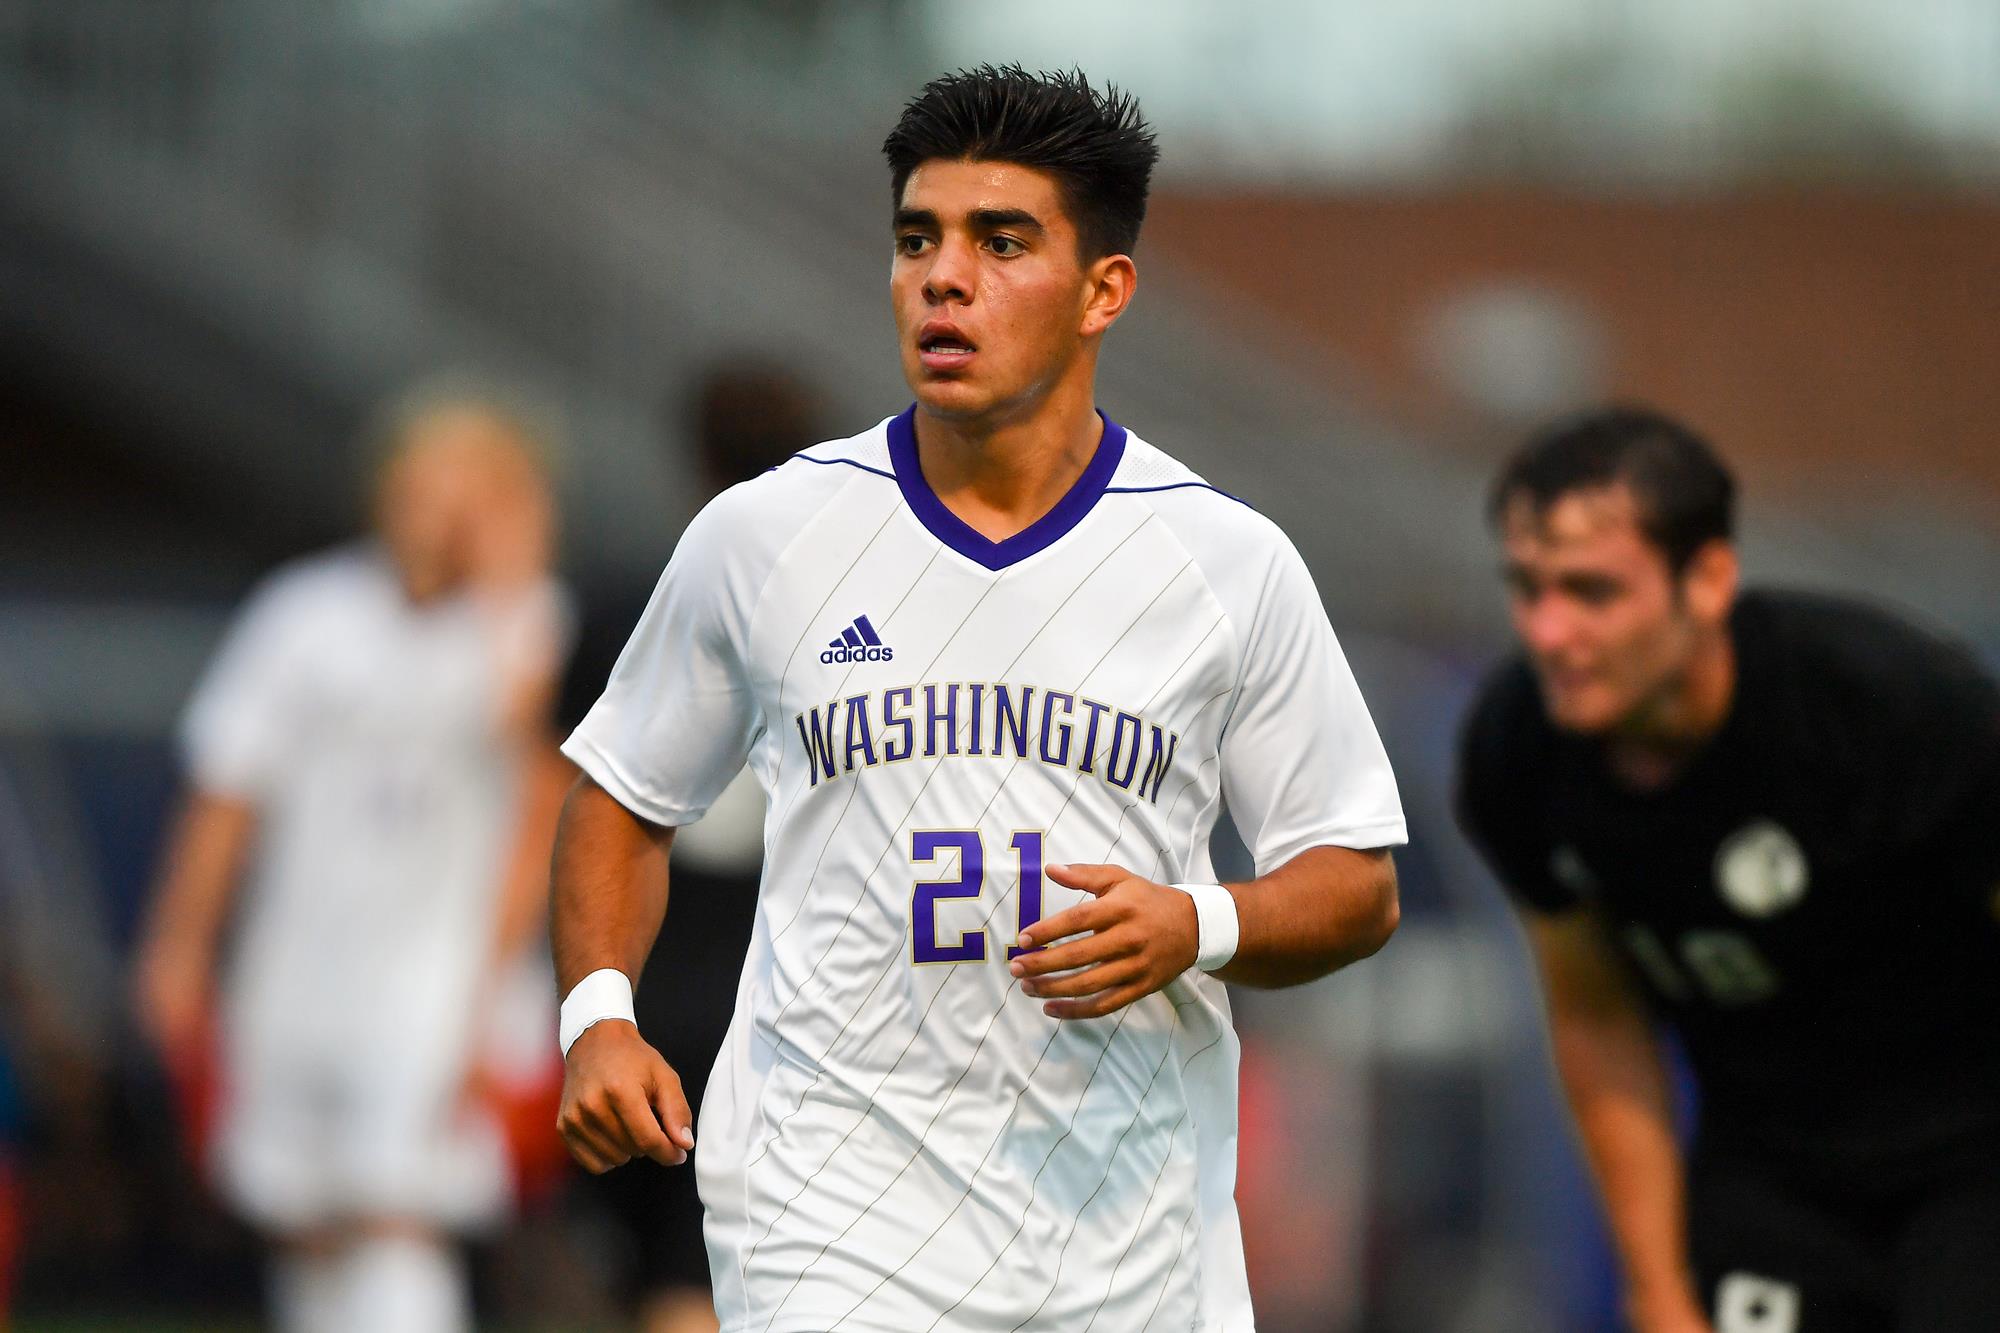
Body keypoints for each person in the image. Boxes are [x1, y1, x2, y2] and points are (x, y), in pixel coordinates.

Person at [552, 64, 1406, 1332]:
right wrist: (596, 1019)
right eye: (916, 240)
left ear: (1102, 290)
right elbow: (621, 797)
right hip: (824, 1202)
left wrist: (1197, 923)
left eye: (1000, 243)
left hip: (1127, 1221)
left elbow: (1354, 879)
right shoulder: (767, 532)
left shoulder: (1224, 563)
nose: (942, 278)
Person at [1455, 407, 2000, 1333]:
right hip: (1772, 1175)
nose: (1549, 632)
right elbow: (1598, 1015)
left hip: (1973, 1166)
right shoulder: (1519, 755)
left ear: (1707, 580)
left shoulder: (1890, 705)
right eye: (1528, 588)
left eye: (1591, 591)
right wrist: (1657, 1286)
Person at [133, 388, 573, 1333]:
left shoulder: (521, 624)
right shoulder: (305, 614)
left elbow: (532, 771)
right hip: (297, 964)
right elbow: (225, 790)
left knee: (399, 1209)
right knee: (302, 1213)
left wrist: (496, 985)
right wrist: (179, 943)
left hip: (434, 971)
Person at [556, 363, 830, 1333]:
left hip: (644, 956)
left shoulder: (626, 600)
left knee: (658, 1270)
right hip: (780, 963)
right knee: (701, 1273)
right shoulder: (838, 597)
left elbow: (575, 796)